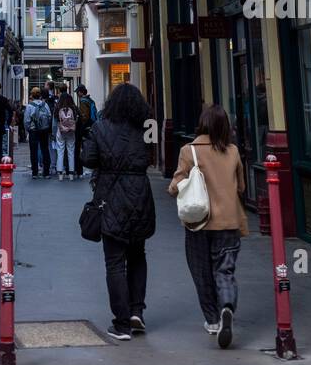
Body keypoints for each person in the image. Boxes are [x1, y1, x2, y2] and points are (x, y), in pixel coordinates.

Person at [169, 104, 248, 349]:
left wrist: (177, 187)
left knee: (201, 271)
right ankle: (226, 305)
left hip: (198, 223)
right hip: (228, 221)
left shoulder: (188, 151)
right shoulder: (233, 151)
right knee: (224, 270)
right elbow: (241, 188)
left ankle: (213, 320)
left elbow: (176, 185)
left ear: (202, 124)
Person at [82, 82, 156, 341]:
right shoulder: (148, 125)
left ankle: (122, 323)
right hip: (140, 194)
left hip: (111, 197)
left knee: (114, 262)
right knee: (138, 254)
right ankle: (137, 311)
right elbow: (152, 155)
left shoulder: (100, 127)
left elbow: (88, 160)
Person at [25, 86, 52, 178]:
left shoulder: (29, 106)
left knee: (34, 151)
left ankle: (35, 172)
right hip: (44, 130)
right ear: (40, 95)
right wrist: (46, 126)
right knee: (45, 150)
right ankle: (46, 172)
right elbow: (49, 116)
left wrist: (28, 129)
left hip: (33, 130)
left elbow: (27, 120)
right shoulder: (45, 105)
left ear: (32, 95)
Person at [75, 82, 97, 178]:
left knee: (83, 148)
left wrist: (81, 127)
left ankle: (83, 168)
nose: (77, 94)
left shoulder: (83, 101)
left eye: (77, 92)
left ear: (81, 92)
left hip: (85, 127)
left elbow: (84, 116)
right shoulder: (90, 100)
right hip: (91, 125)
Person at [55, 91, 78, 181]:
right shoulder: (73, 108)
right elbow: (77, 118)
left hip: (60, 131)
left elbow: (55, 120)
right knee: (71, 151)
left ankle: (60, 173)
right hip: (71, 132)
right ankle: (71, 174)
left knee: (60, 151)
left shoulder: (58, 107)